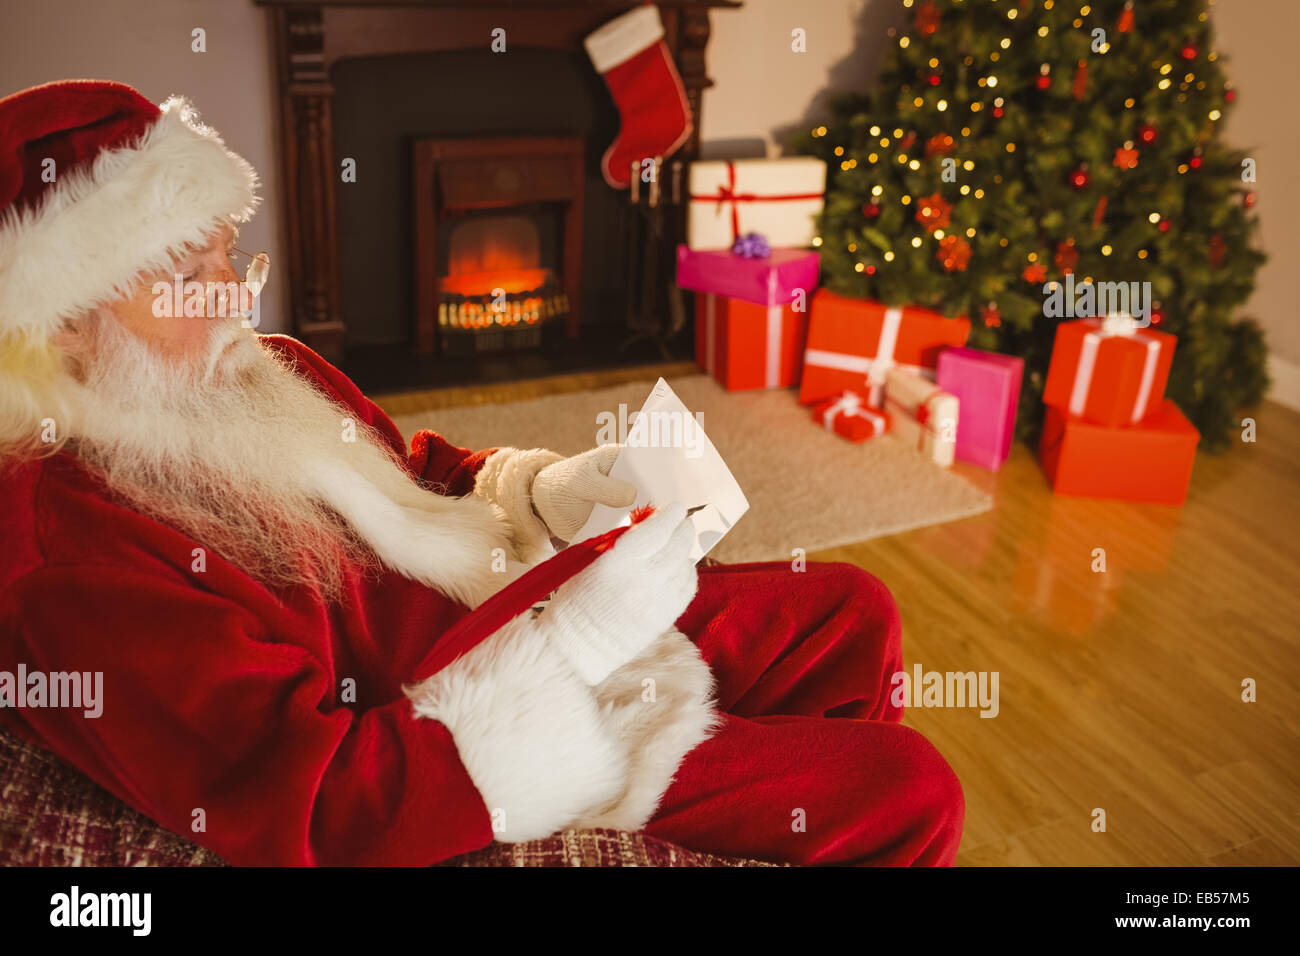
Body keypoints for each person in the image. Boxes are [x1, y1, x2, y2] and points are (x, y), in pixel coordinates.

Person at [0, 80, 963, 866]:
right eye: (180, 269)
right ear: (61, 322)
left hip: (501, 597)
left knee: (852, 609)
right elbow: (319, 806)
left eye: (226, 254)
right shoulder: (71, 556)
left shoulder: (261, 365)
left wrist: (539, 488)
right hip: (484, 727)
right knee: (911, 790)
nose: (227, 302)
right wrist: (581, 642)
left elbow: (409, 468)